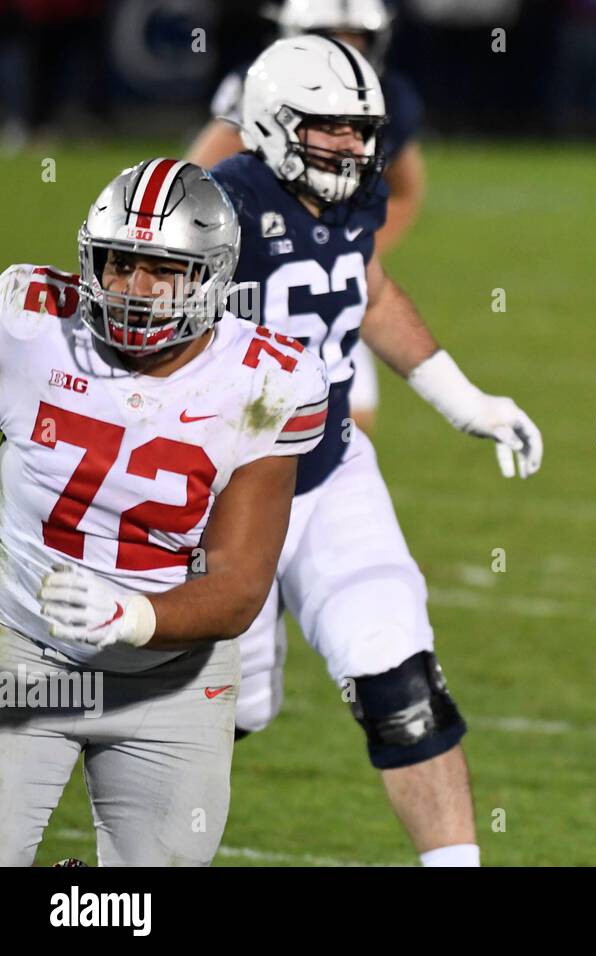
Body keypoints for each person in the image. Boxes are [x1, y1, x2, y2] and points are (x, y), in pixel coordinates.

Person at [211, 35, 542, 867]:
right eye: (333, 130)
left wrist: (460, 398)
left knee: (404, 687)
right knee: (215, 712)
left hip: (327, 471)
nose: (356, 149)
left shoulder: (351, 198)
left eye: (363, 132)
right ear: (274, 122)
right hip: (213, 499)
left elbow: (369, 289)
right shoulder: (216, 211)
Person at [0, 158, 329, 865]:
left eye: (162, 270)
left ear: (211, 277)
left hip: (172, 675)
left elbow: (240, 583)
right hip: (20, 651)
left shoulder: (269, 383)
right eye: (118, 264)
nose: (133, 289)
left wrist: (132, 616)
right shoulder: (27, 324)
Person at [188, 0, 426, 433]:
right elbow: (191, 197)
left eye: (355, 39)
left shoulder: (386, 98)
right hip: (253, 294)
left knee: (351, 425)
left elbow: (408, 191)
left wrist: (349, 250)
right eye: (328, 38)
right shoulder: (259, 93)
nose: (342, 52)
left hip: (326, 288)